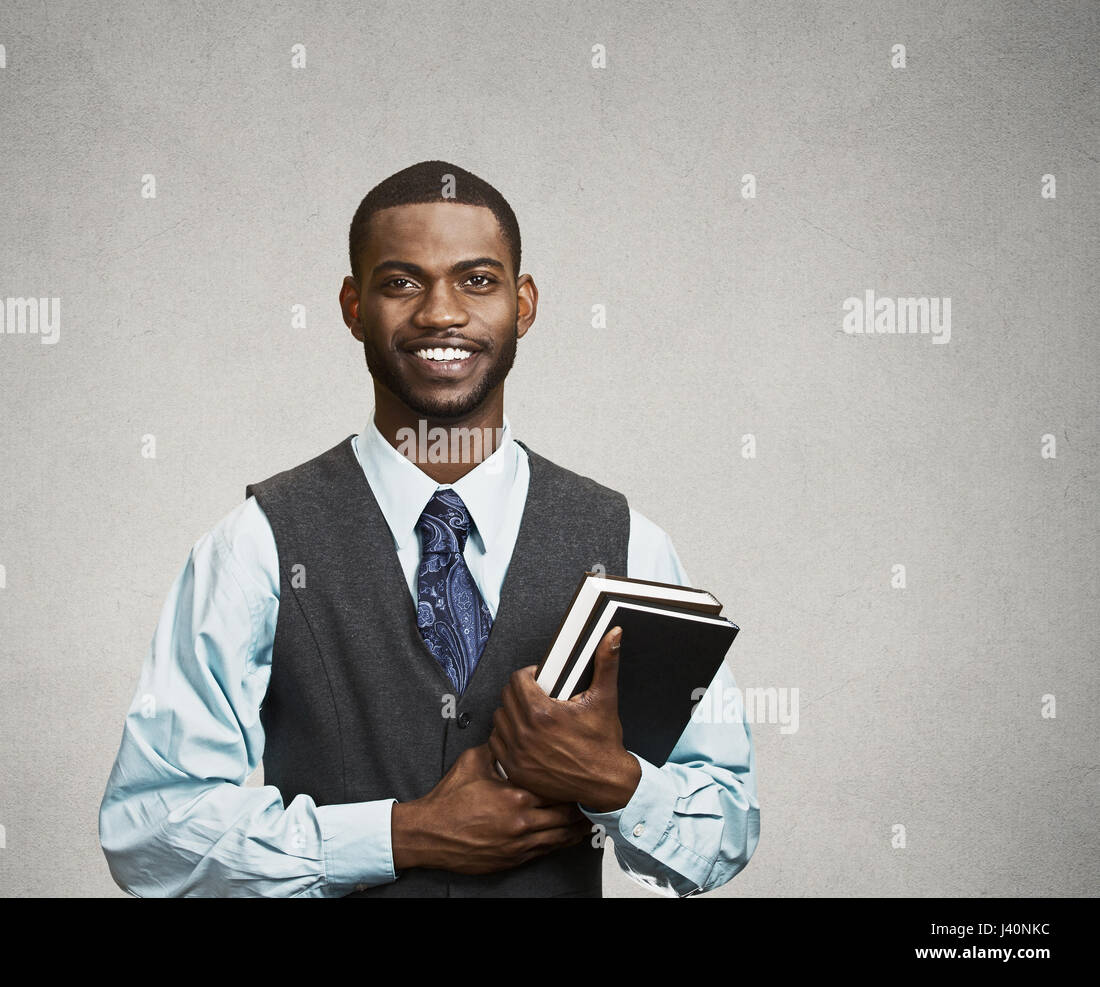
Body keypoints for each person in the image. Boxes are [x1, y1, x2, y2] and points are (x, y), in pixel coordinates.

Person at [98, 160, 759, 897]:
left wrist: (616, 784)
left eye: (477, 280)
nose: (441, 313)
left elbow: (724, 828)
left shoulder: (628, 542)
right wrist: (402, 833)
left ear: (524, 303)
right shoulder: (257, 543)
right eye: (401, 282)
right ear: (353, 306)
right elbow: (150, 828)